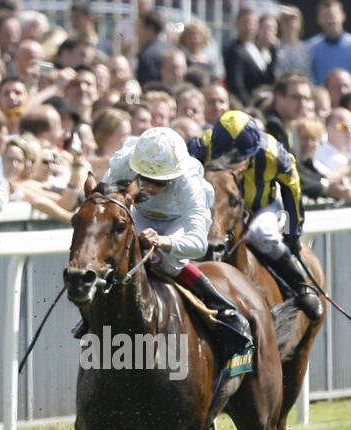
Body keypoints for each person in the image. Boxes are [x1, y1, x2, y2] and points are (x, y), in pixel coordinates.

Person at [89, 126, 252, 355]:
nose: (152, 188)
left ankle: (222, 307)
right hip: (141, 213)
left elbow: (197, 244)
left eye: (162, 182)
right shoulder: (123, 164)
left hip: (177, 220)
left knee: (164, 258)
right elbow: (105, 205)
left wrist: (164, 241)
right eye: (146, 180)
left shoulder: (188, 182)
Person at [189, 110, 322, 320]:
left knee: (261, 234)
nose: (235, 164)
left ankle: (300, 285)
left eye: (241, 158)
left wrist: (293, 235)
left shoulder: (274, 154)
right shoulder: (200, 147)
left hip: (259, 207)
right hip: (217, 208)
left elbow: (292, 191)